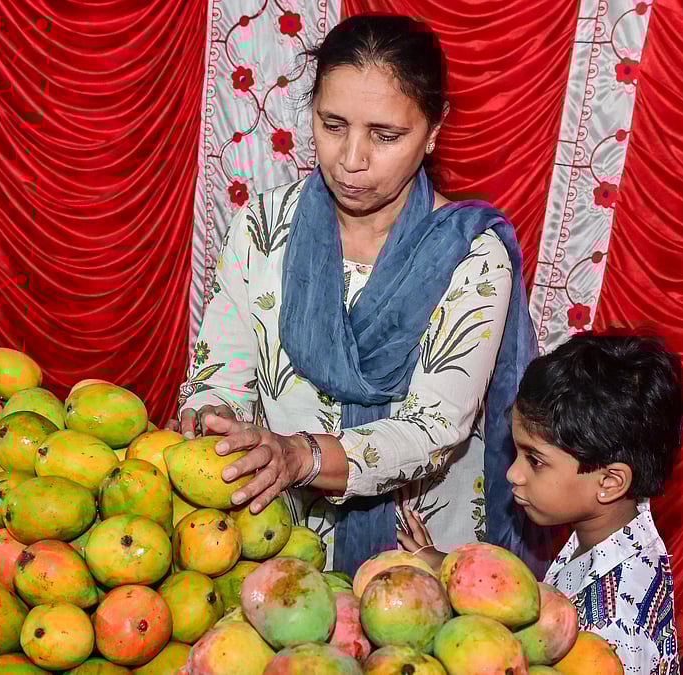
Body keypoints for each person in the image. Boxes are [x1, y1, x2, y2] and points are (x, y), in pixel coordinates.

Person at [173, 14, 545, 578]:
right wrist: (213, 421)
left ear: (434, 130)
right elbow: (219, 371)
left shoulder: (470, 257)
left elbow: (432, 429)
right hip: (269, 534)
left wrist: (301, 455)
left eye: (385, 135)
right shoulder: (264, 225)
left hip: (410, 555)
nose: (351, 159)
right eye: (332, 124)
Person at [399, 332, 683, 675]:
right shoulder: (610, 526)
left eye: (534, 460)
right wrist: (449, 568)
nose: (513, 474)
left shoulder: (610, 630)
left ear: (609, 482)